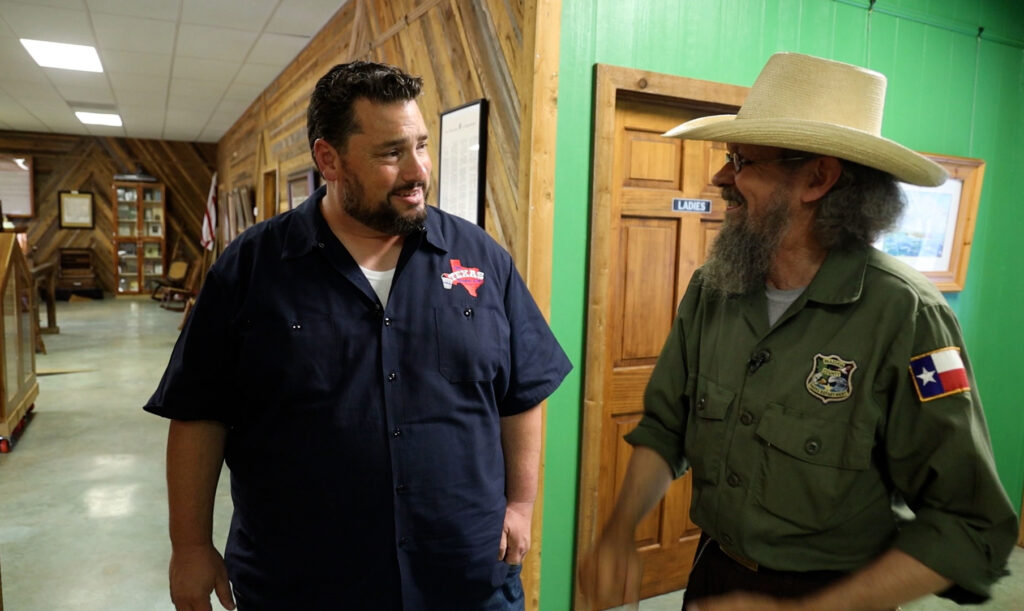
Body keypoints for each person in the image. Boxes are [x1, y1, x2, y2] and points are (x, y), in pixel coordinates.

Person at [578, 52, 1017, 610]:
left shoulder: (906, 317)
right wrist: (619, 531)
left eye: (741, 160)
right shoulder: (714, 289)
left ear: (818, 178)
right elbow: (667, 426)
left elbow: (970, 526)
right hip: (713, 575)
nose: (720, 177)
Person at [145, 61, 571, 610]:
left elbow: (521, 393)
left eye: (421, 145)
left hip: (464, 578)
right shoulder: (251, 268)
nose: (418, 170)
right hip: (304, 583)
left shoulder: (481, 259)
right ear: (330, 159)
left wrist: (520, 505)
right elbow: (199, 412)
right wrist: (190, 544)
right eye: (391, 153)